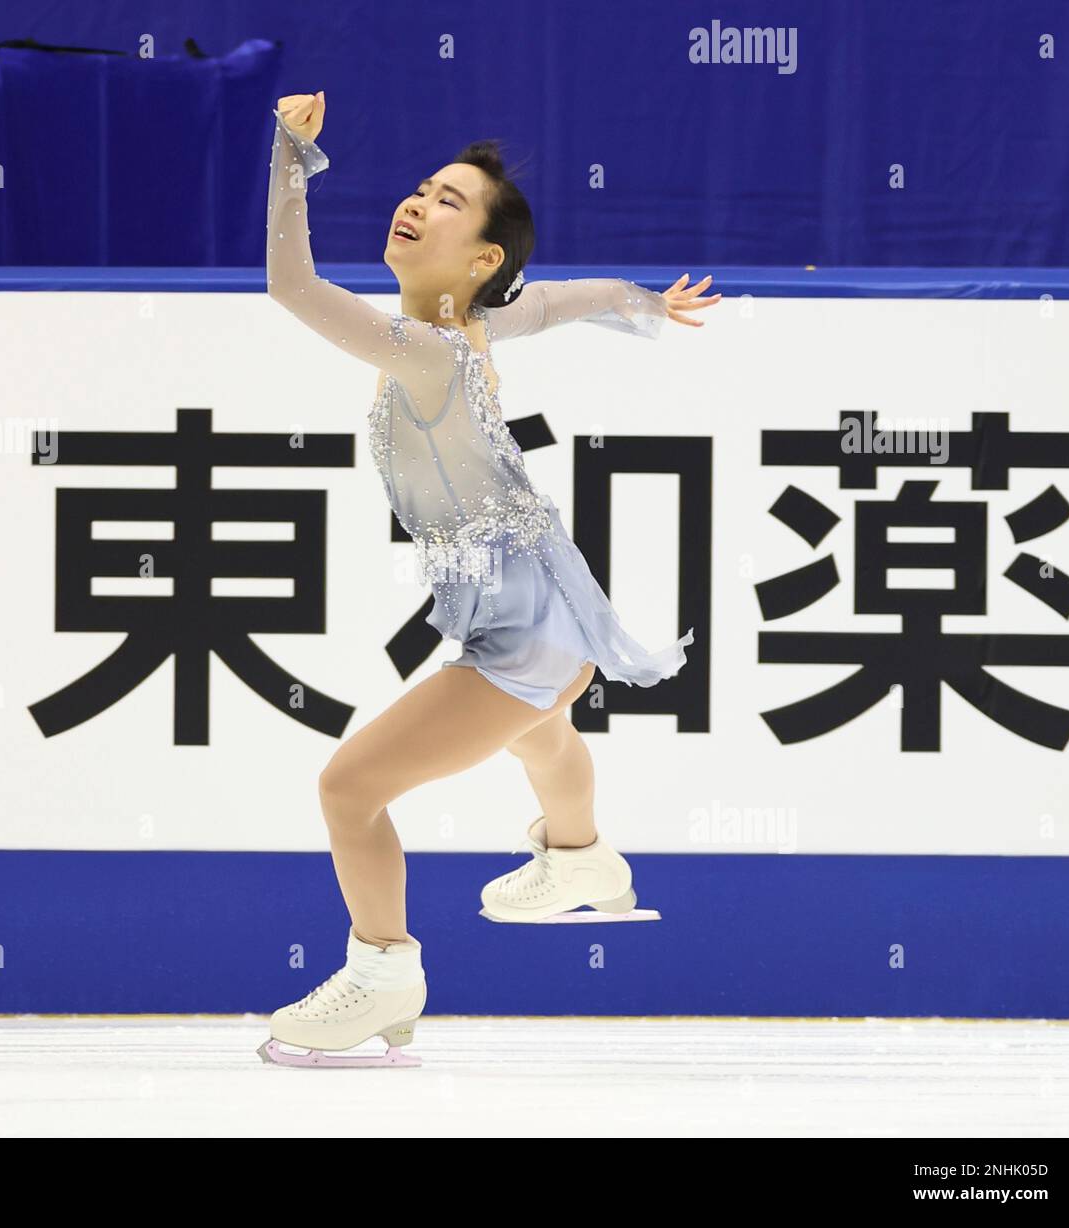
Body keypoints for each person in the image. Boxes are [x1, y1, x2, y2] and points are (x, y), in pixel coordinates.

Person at [257, 92, 720, 1067]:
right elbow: (551, 301)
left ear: (480, 262)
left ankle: (385, 969)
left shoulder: (426, 350)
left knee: (347, 788)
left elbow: (291, 288)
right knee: (544, 736)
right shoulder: (466, 330)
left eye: (451, 202)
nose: (418, 203)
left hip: (525, 630)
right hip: (547, 617)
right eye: (422, 188)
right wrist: (642, 301)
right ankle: (583, 853)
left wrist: (292, 155)